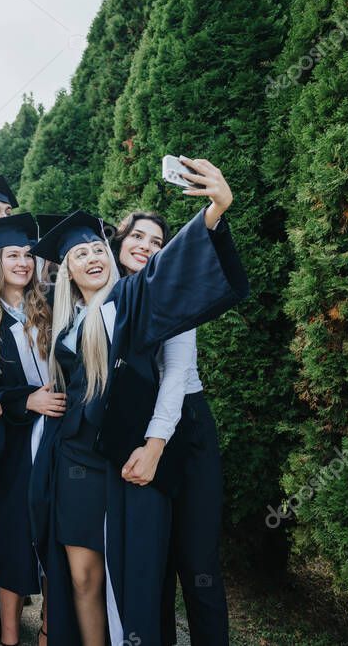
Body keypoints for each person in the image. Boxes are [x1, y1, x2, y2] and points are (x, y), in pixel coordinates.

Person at [30, 158, 248, 645]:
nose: (92, 257)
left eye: (95, 249)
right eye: (80, 252)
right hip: (79, 458)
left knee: (166, 567)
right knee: (86, 575)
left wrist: (214, 212)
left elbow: (169, 276)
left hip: (145, 444)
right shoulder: (63, 323)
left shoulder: (133, 298)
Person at [110, 203, 229, 643]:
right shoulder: (110, 292)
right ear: (120, 241)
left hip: (185, 429)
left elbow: (177, 373)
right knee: (153, 563)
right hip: (137, 434)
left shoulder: (173, 291)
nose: (145, 246)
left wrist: (156, 444)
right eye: (138, 236)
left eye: (157, 242)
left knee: (198, 563)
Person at [0, 214, 65, 646]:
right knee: (9, 536)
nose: (23, 263)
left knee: (56, 534)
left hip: (59, 437)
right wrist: (25, 400)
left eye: (27, 255)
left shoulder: (55, 306)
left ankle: (46, 631)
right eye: (12, 256)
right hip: (12, 442)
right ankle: (8, 636)